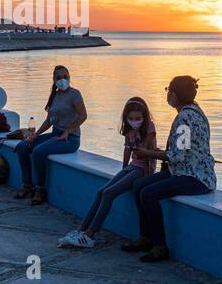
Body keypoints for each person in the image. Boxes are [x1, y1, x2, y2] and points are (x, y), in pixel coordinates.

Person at [123, 75, 216, 263]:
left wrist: (148, 153)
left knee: (148, 193)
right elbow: (181, 151)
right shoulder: (193, 111)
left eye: (168, 90)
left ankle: (160, 246)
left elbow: (177, 155)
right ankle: (146, 237)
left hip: (195, 177)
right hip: (182, 170)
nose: (167, 94)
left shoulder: (184, 118)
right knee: (139, 185)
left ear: (174, 95)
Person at [58, 97, 156, 248]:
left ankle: (91, 234)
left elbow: (152, 154)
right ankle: (81, 231)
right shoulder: (129, 130)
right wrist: (124, 169)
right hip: (132, 166)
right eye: (130, 118)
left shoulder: (149, 128)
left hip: (142, 169)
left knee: (109, 193)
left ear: (144, 117)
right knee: (100, 192)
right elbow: (127, 149)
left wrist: (148, 176)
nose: (134, 121)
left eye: (138, 118)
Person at [12, 65, 87, 205]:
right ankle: (27, 185)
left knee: (38, 151)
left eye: (65, 76)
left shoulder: (75, 94)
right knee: (23, 146)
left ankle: (40, 189)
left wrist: (68, 131)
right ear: (54, 80)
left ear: (69, 77)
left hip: (70, 139)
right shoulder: (55, 96)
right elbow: (49, 121)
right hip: (55, 135)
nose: (62, 80)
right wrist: (35, 134)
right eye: (59, 77)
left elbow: (83, 115)